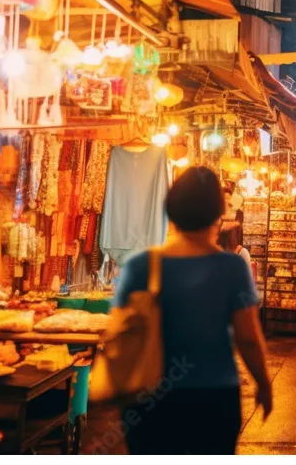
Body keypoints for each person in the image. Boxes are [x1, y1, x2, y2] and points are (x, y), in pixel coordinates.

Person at [115, 166, 272, 455]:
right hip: (213, 399)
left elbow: (121, 333)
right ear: (219, 213)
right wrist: (263, 383)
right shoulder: (232, 267)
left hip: (147, 397)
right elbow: (248, 338)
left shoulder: (140, 266)